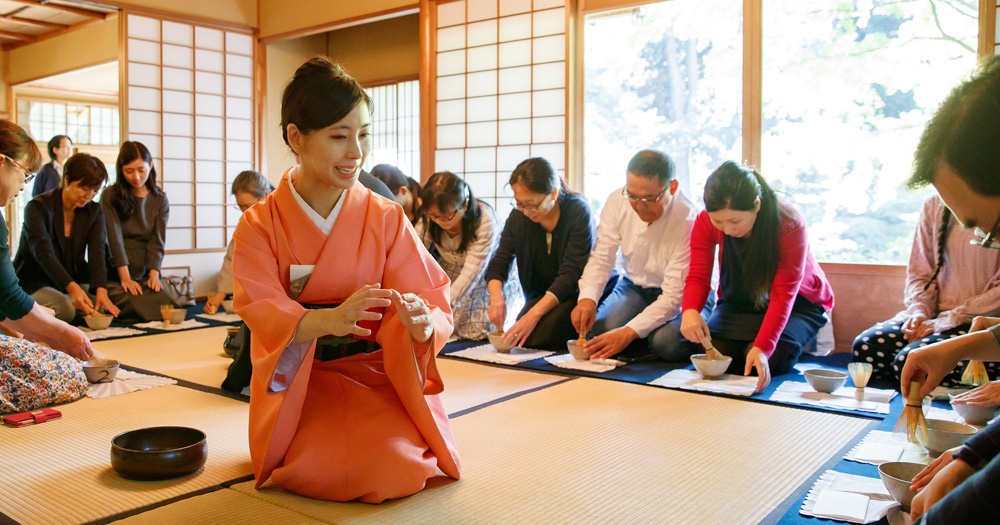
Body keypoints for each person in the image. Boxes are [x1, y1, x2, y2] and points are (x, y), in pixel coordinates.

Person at [232, 57, 460, 503]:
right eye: (339, 136)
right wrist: (327, 321)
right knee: (320, 468)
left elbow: (430, 296)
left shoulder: (385, 216)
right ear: (296, 137)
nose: (356, 151)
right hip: (301, 382)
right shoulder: (260, 224)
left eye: (364, 133)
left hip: (377, 374)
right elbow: (259, 306)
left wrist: (422, 323)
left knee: (397, 466)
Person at [896, 56, 1000, 523]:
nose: (981, 240)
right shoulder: (930, 215)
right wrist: (970, 456)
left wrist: (971, 459)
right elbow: (918, 276)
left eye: (983, 228)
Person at [680, 161, 834, 393]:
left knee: (767, 361)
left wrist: (762, 348)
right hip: (739, 302)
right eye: (718, 221)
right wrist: (690, 310)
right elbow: (698, 276)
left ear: (756, 205)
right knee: (716, 359)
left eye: (734, 221)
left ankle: (772, 346)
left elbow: (784, 294)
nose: (727, 229)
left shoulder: (789, 222)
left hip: (798, 304)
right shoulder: (706, 222)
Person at [571, 150, 710, 361]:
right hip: (634, 286)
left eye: (648, 198)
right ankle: (643, 337)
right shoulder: (617, 201)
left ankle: (645, 339)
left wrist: (628, 333)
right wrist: (587, 299)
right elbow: (602, 257)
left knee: (667, 343)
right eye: (632, 196)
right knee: (600, 331)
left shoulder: (688, 219)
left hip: (683, 295)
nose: (638, 205)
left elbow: (673, 297)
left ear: (672, 187)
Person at [852, 197, 1000, 386]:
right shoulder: (934, 204)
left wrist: (949, 319)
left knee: (912, 360)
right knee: (867, 347)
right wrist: (921, 311)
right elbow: (920, 270)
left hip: (979, 322)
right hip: (935, 316)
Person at [0, 120, 93, 413]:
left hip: (21, 301)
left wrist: (34, 321)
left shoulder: (94, 211)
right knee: (67, 374)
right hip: (33, 285)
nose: (23, 186)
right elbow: (9, 295)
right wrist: (60, 331)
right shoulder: (38, 207)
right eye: (24, 175)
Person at [486, 157, 607, 350]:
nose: (526, 211)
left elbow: (571, 274)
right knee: (524, 336)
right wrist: (496, 299)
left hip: (574, 295)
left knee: (539, 336)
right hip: (542, 294)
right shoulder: (519, 216)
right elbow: (500, 260)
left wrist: (533, 315)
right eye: (519, 203)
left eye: (532, 205)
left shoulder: (577, 211)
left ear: (553, 193)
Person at [14, 153, 121, 322]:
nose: (89, 196)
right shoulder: (38, 207)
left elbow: (97, 250)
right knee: (65, 308)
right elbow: (44, 254)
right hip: (35, 281)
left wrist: (101, 290)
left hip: (72, 278)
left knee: (96, 303)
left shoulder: (94, 211)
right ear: (67, 179)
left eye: (95, 191)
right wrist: (73, 288)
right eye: (84, 189)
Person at [417, 171, 521, 341]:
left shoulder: (484, 219)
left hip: (486, 276)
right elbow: (415, 256)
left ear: (464, 205)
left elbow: (473, 269)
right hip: (450, 272)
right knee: (439, 326)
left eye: (446, 216)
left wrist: (445, 303)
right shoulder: (429, 219)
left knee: (476, 331)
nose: (439, 221)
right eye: (434, 215)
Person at [101, 141, 175, 321]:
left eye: (141, 170)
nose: (136, 177)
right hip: (115, 273)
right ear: (120, 169)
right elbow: (114, 238)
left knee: (166, 301)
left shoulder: (159, 199)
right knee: (120, 296)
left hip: (144, 271)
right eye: (129, 171)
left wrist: (154, 275)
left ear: (150, 166)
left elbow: (158, 241)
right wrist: (125, 278)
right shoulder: (110, 195)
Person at [204, 170, 274, 314]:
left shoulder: (283, 214)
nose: (244, 212)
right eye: (240, 207)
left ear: (266, 195)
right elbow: (233, 257)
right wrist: (220, 295)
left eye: (248, 206)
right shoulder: (246, 221)